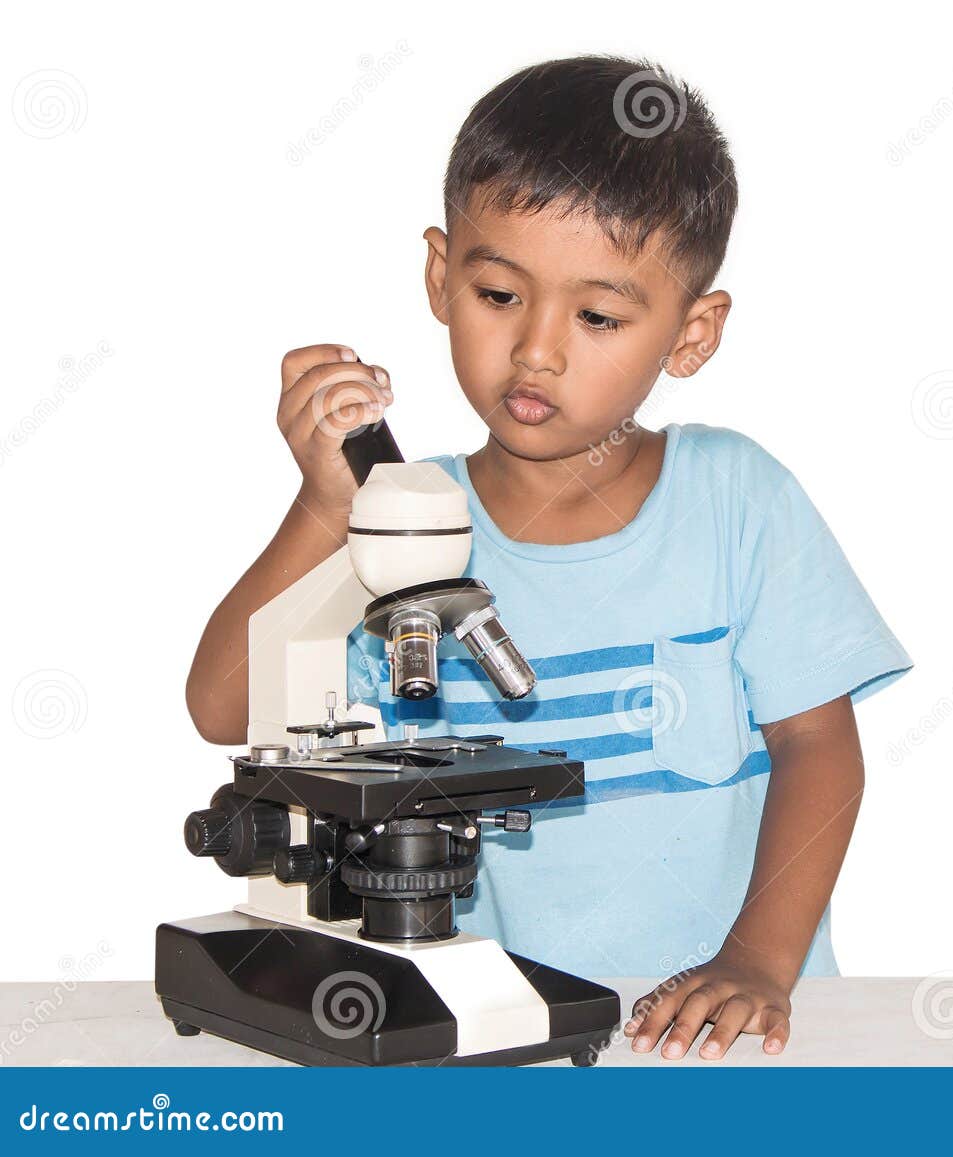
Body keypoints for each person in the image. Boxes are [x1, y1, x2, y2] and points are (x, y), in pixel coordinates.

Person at [185, 55, 912, 1062]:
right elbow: (224, 708)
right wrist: (324, 505)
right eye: (497, 293)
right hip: (486, 1032)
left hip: (718, 1031)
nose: (536, 350)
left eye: (597, 316)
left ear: (692, 333)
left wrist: (756, 958)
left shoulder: (735, 499)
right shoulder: (400, 516)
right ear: (440, 277)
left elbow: (820, 749)